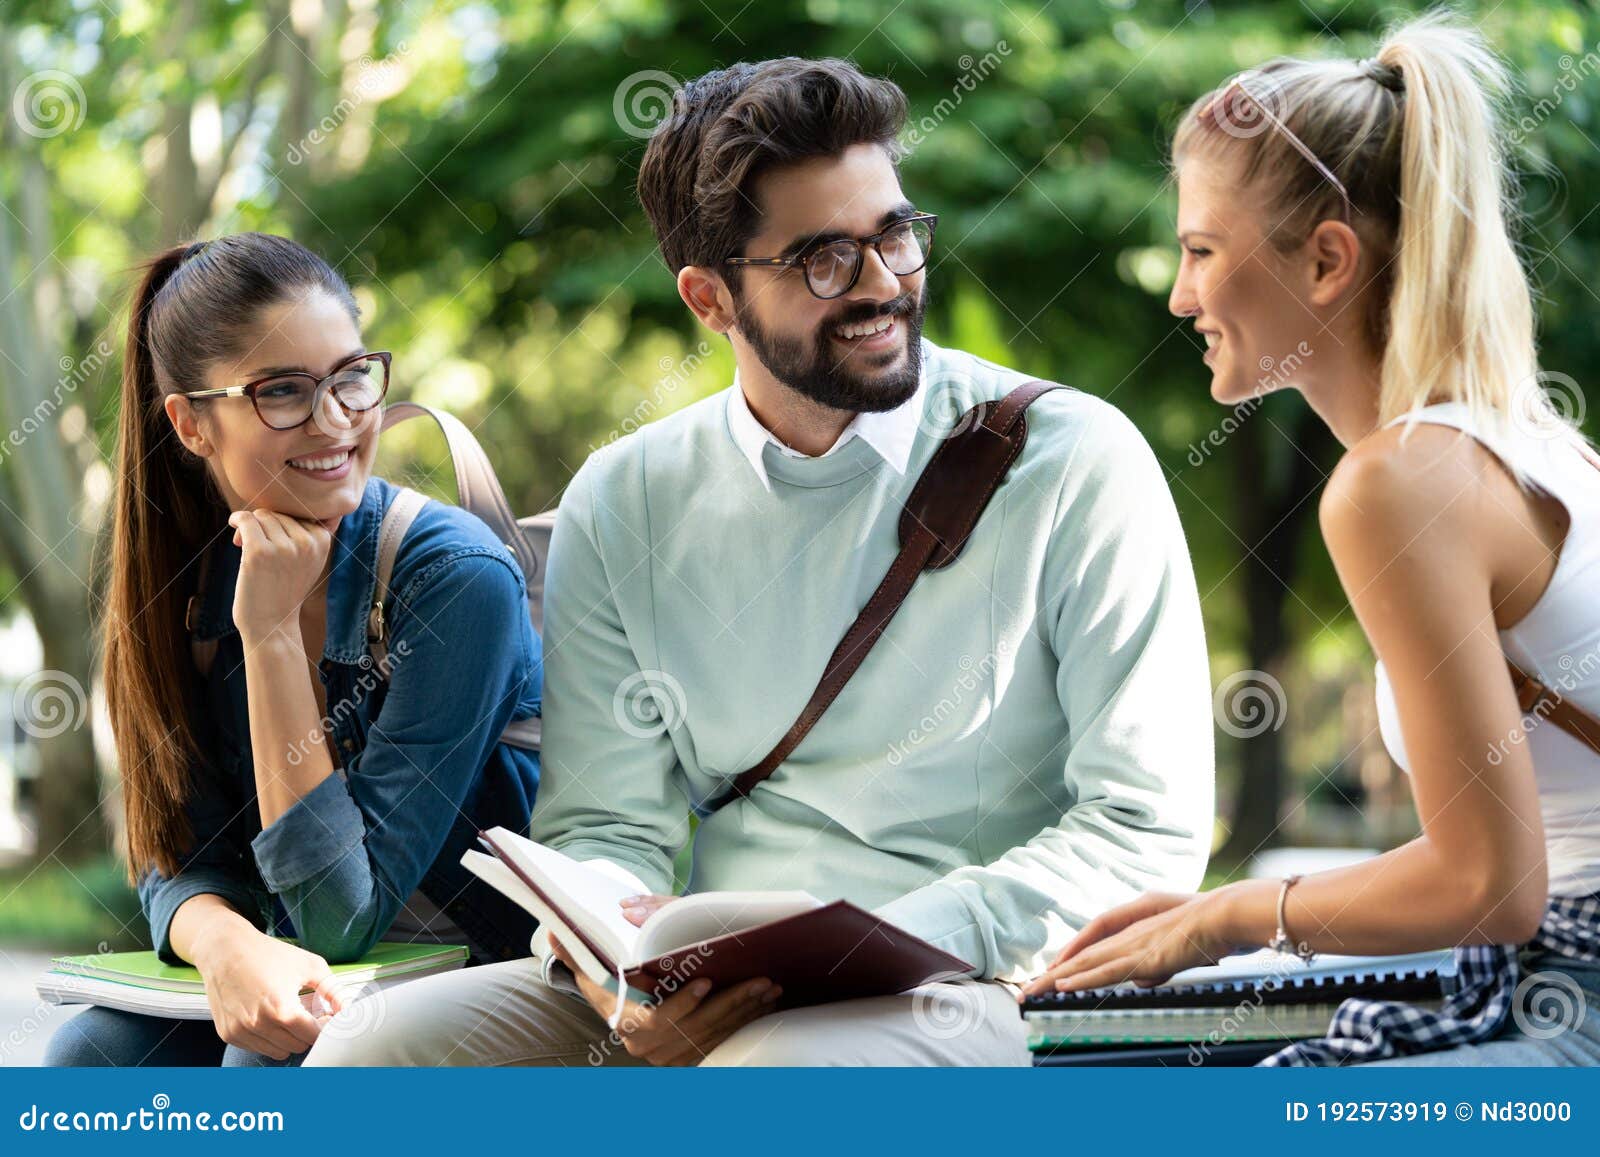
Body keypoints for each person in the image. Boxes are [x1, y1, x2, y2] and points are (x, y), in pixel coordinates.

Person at [307, 57, 1213, 1068]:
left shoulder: (1073, 460)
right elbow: (606, 822)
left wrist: (897, 937)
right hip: (714, 981)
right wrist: (618, 973)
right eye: (825, 257)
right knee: (369, 1047)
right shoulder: (624, 496)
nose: (881, 284)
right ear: (710, 298)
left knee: (764, 1081)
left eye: (896, 236)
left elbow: (1146, 827)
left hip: (975, 980)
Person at [1023, 12, 1600, 1066]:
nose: (1178, 291)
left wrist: (1220, 917)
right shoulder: (1525, 443)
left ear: (1326, 260)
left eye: (1200, 250)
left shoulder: (1394, 482)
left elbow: (1491, 886)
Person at [45, 233, 543, 1067]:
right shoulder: (190, 583)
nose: (335, 419)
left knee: (271, 1060)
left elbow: (338, 918)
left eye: (351, 376)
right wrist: (226, 947)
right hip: (315, 960)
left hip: (491, 967)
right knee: (90, 1058)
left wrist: (272, 635)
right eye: (282, 391)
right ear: (191, 423)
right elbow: (175, 848)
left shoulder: (455, 577)